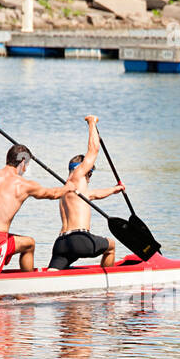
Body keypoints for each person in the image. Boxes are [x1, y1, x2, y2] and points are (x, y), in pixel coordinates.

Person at [0, 117, 68, 276]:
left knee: (29, 244)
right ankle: (22, 287)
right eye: (26, 165)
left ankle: (26, 285)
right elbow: (53, 194)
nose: (26, 169)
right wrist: (69, 187)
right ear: (22, 162)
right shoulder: (23, 185)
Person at [48, 115, 127, 270]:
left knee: (51, 275)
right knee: (111, 246)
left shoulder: (68, 187)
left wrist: (113, 189)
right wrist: (92, 123)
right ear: (87, 172)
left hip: (61, 244)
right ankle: (107, 289)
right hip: (80, 240)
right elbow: (94, 149)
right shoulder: (79, 175)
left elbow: (93, 194)